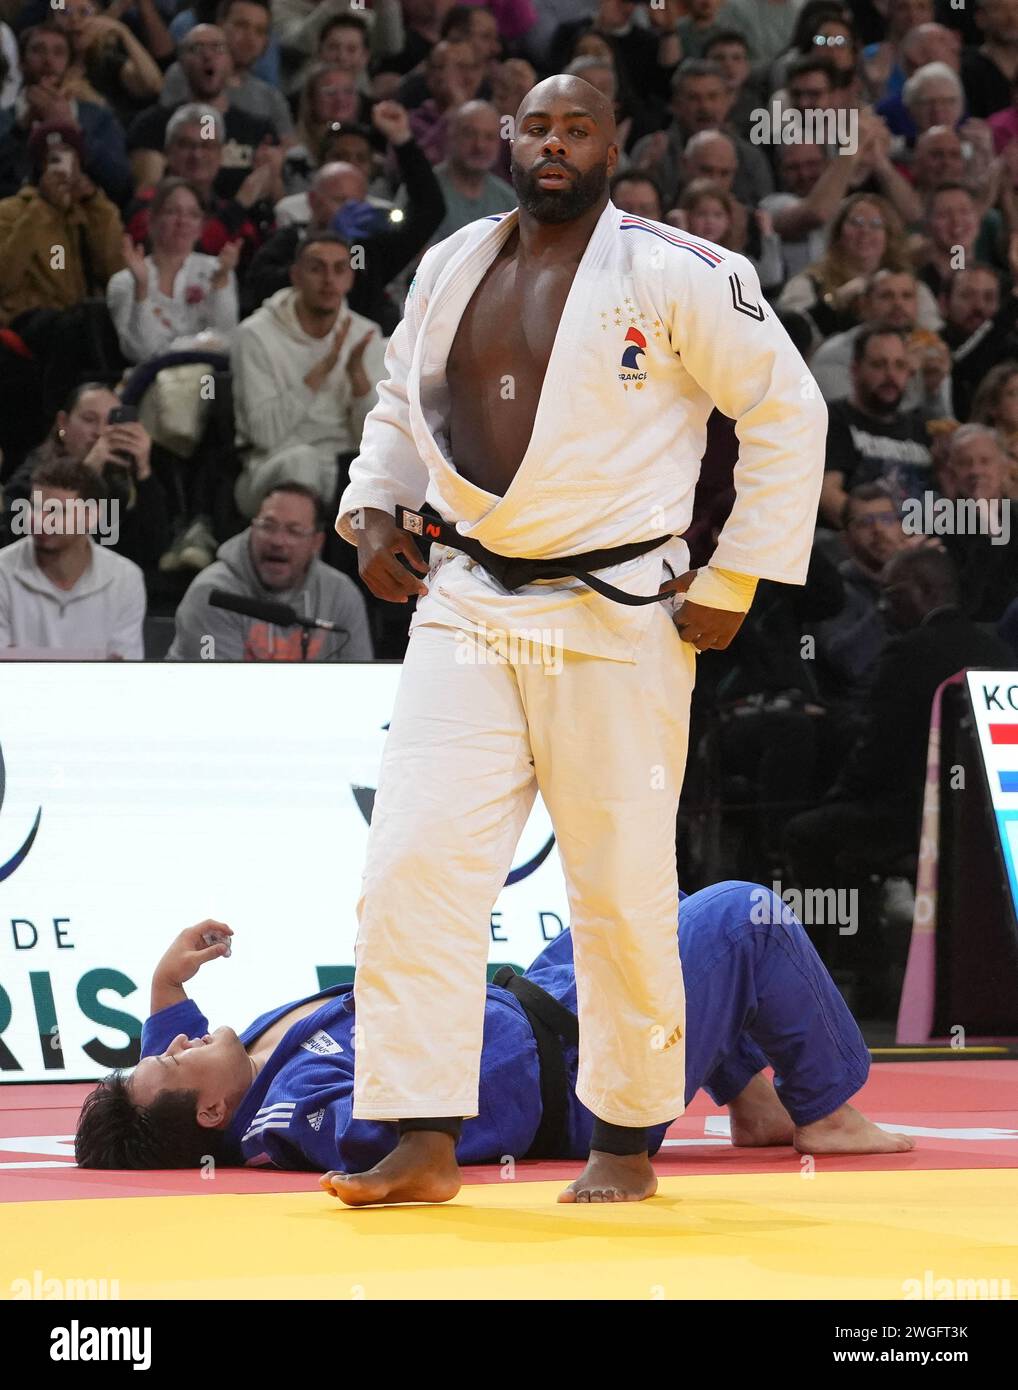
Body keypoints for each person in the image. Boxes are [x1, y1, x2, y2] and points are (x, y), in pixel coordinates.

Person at [332, 73, 826, 1206]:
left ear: (618, 144)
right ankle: (417, 1132)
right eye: (536, 126)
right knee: (412, 861)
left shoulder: (682, 270)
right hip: (466, 598)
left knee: (618, 886)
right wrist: (369, 509)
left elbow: (787, 409)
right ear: (509, 140)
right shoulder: (455, 262)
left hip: (617, 612)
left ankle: (624, 1137)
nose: (554, 144)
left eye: (578, 127)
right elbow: (400, 408)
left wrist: (739, 570)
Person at [73, 881, 914, 1187]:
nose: (175, 1043)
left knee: (638, 900)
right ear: (216, 1114)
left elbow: (171, 1078)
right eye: (170, 1062)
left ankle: (757, 1104)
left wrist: (166, 985)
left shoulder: (245, 1058)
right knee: (743, 913)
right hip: (587, 1074)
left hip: (544, 1000)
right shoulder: (288, 1112)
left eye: (165, 1042)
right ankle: (825, 1112)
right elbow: (371, 1138)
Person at [232, 232, 385, 518]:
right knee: (303, 462)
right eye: (317, 268)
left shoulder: (365, 335)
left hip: (342, 468)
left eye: (339, 269)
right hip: (271, 466)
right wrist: (320, 373)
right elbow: (265, 435)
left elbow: (373, 441)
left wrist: (358, 380)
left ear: (350, 278)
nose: (329, 279)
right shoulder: (255, 335)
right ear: (296, 275)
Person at [167, 481, 373, 661]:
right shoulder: (214, 593)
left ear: (316, 542)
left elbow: (363, 686)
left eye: (294, 531)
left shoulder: (340, 594)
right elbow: (214, 690)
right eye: (268, 526)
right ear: (252, 528)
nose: (277, 541)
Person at [0, 382, 170, 574]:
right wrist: (87, 473)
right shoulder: (32, 477)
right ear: (63, 423)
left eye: (111, 422)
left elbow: (154, 548)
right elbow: (26, 545)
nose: (100, 432)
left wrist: (144, 472)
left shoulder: (121, 477)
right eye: (89, 419)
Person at [0, 457, 146, 658]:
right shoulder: (2, 572)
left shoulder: (125, 579)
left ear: (90, 517)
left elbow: (123, 674)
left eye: (55, 511)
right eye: (34, 507)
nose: (39, 520)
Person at [108, 177, 240, 364]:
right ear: (151, 220)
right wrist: (142, 289)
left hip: (207, 380)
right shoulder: (125, 281)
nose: (183, 221)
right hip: (151, 384)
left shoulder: (217, 269)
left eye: (193, 214)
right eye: (172, 212)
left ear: (201, 226)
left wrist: (220, 282)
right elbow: (141, 353)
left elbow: (227, 341)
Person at [820, 323, 935, 525]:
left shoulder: (922, 427)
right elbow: (828, 495)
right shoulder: (834, 419)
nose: (890, 375)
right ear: (855, 369)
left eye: (899, 365)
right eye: (878, 365)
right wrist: (881, 533)